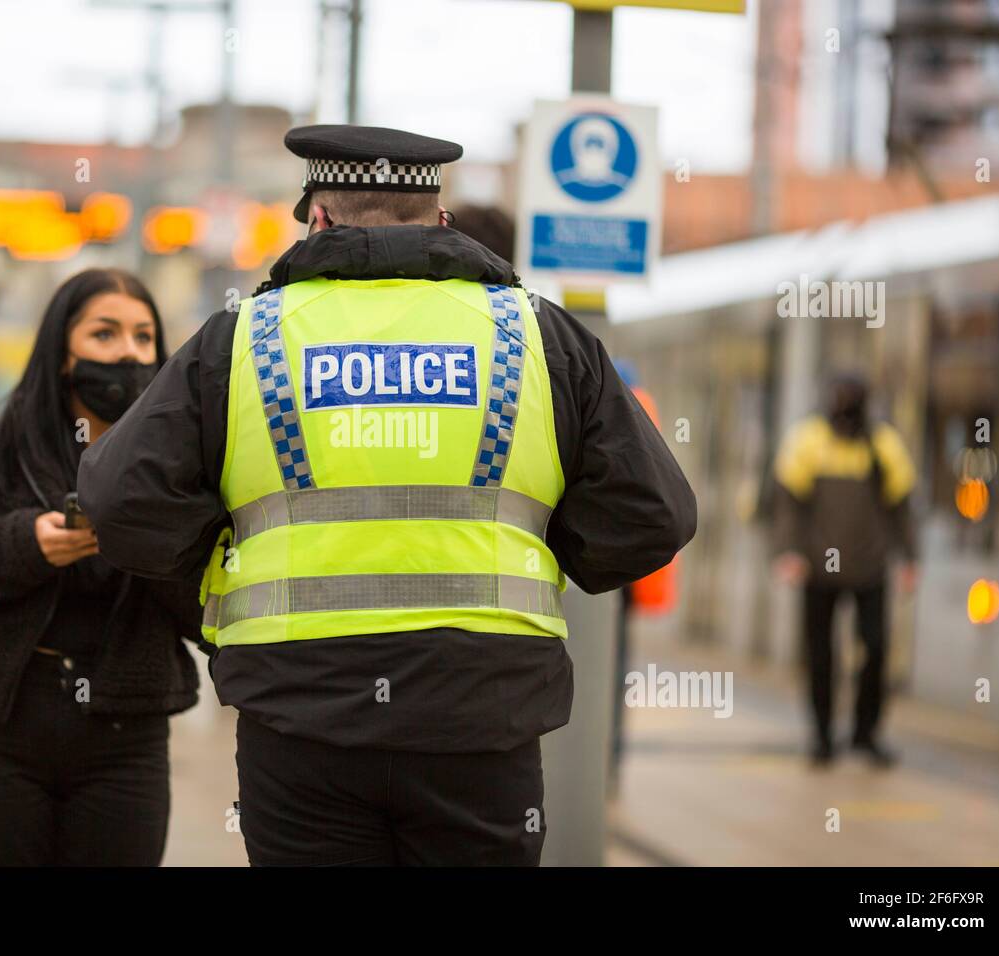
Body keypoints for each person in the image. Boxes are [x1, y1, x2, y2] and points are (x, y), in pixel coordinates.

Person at [79, 125, 696, 866]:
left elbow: (118, 501)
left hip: (301, 716)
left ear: (318, 217)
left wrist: (219, 558)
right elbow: (654, 512)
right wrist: (547, 541)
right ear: (441, 219)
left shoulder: (241, 338)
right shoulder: (539, 336)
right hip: (484, 718)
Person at [0, 268, 204, 866]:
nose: (129, 354)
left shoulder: (180, 465)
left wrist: (142, 536)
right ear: (63, 353)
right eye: (105, 335)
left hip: (126, 739)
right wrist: (23, 546)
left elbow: (211, 611)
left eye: (144, 338)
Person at [772, 371, 918, 768]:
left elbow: (901, 505)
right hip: (817, 568)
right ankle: (822, 736)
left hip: (870, 567)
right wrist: (788, 551)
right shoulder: (808, 440)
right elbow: (787, 503)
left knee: (875, 647)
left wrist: (910, 557)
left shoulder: (883, 444)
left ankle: (865, 734)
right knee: (821, 654)